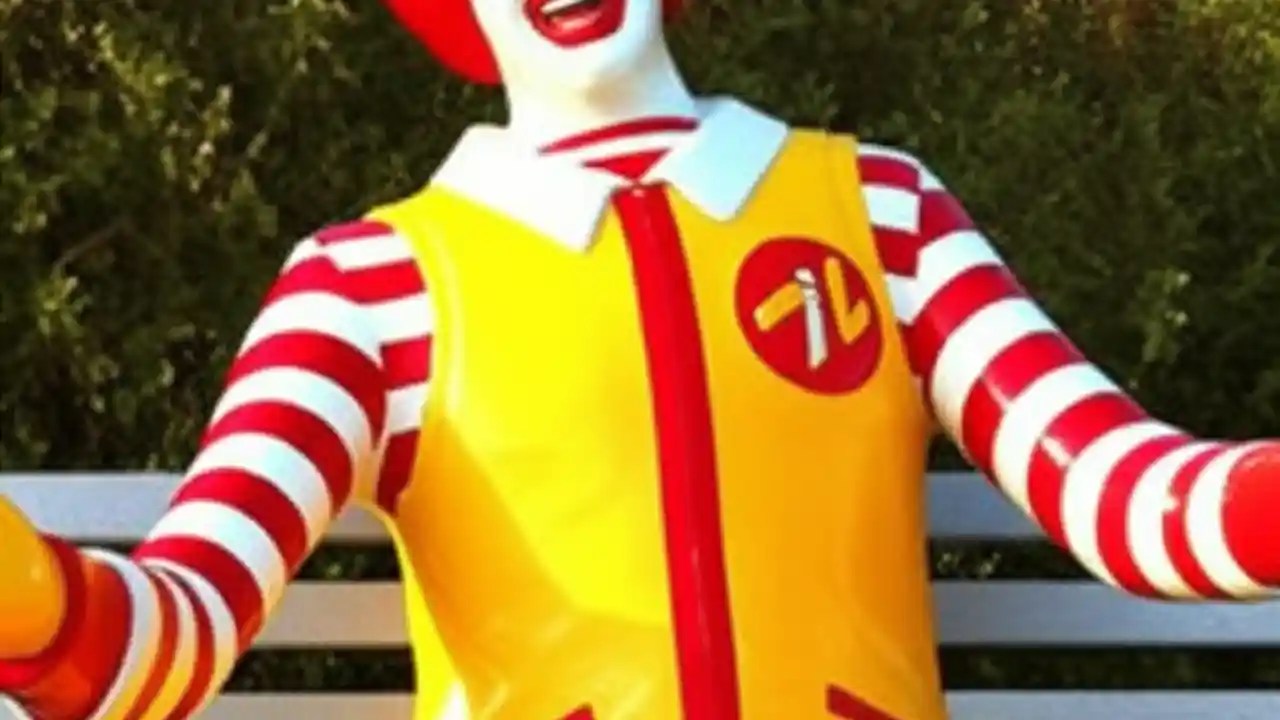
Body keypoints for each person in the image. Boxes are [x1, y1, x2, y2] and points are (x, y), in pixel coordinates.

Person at [2, 1, 1277, 718]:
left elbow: (1130, 499)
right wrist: (30, 596)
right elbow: (163, 636)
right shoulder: (368, 288)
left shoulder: (874, 208)